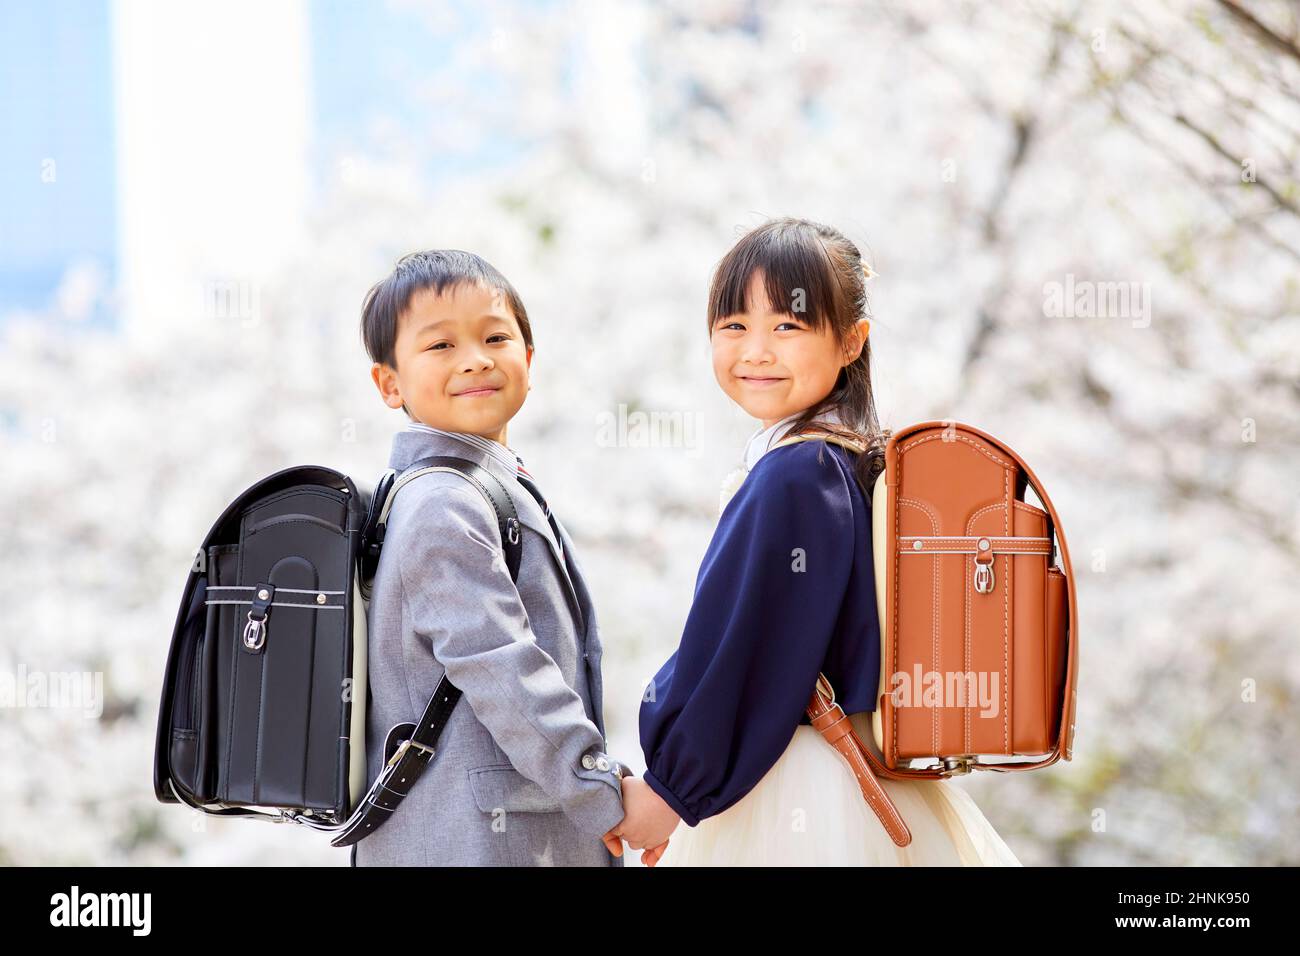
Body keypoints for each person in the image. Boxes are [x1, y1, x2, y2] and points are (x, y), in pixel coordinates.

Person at [615, 218, 1023, 865]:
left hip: (794, 780)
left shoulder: (798, 472)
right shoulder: (854, 463)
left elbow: (744, 640)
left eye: (788, 326)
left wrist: (673, 790)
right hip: (853, 768)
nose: (756, 350)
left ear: (851, 341)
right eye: (734, 327)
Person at [353, 249, 654, 865]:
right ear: (389, 382)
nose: (475, 358)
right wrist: (604, 792)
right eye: (439, 347)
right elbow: (500, 667)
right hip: (475, 842)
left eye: (495, 336)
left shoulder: (475, 486)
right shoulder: (443, 502)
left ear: (529, 359)